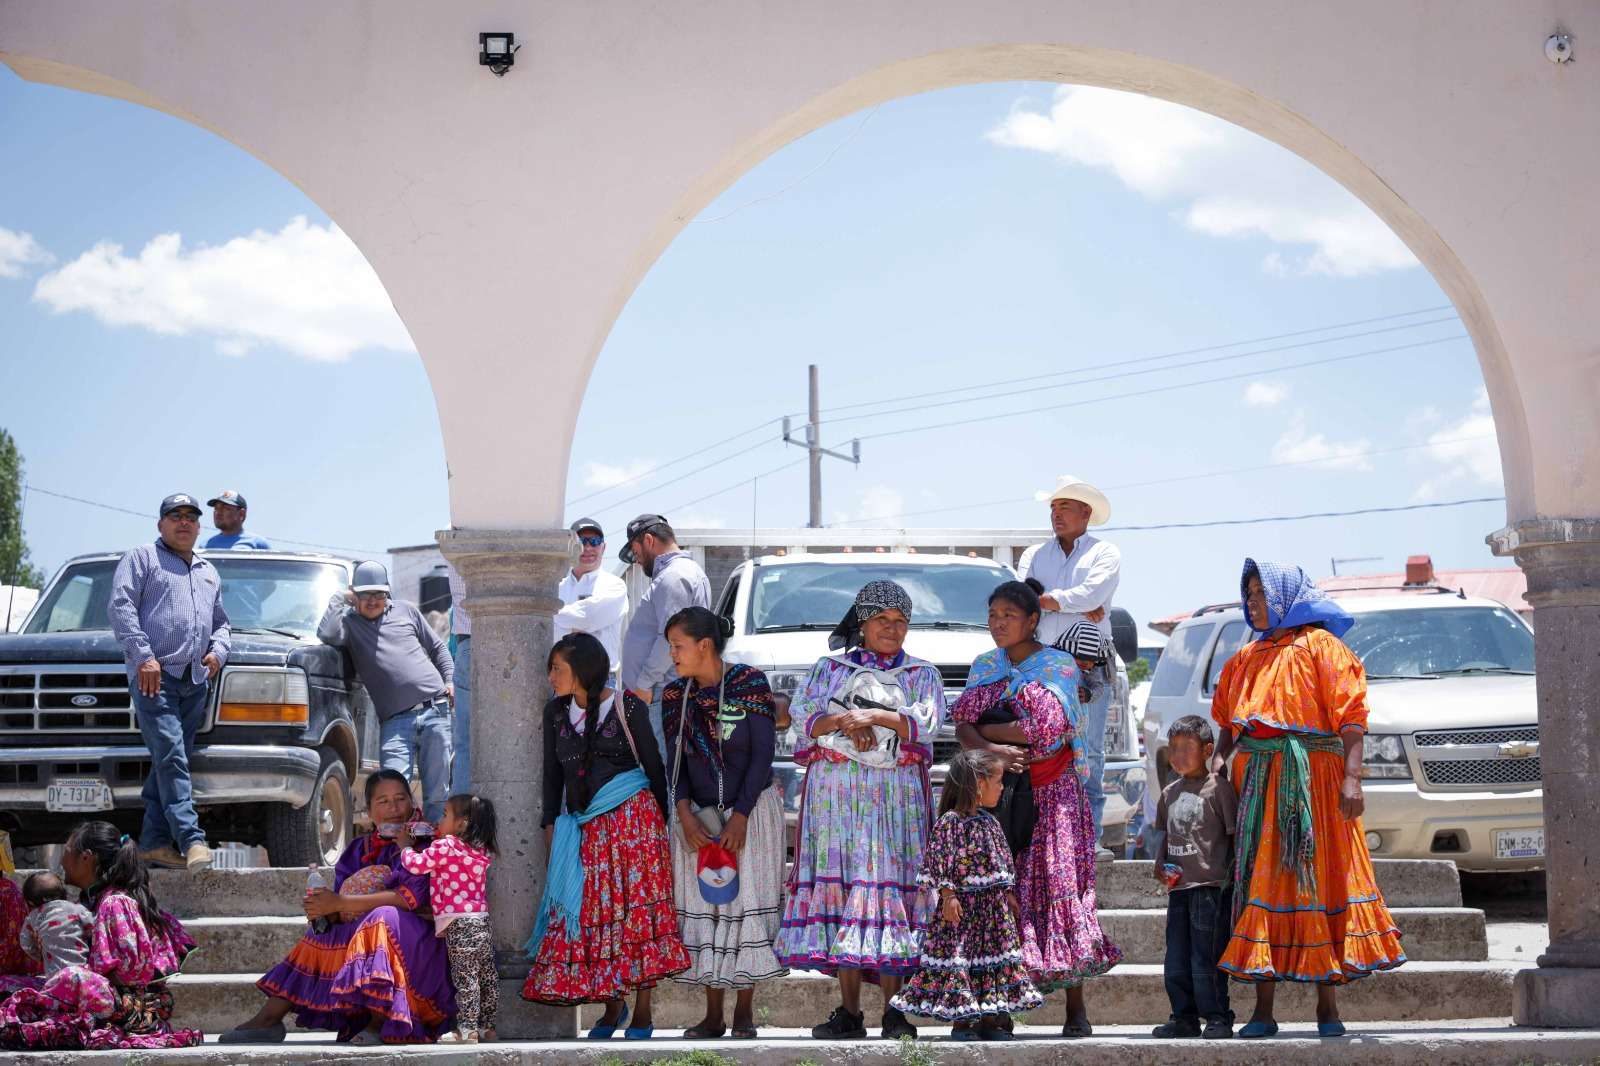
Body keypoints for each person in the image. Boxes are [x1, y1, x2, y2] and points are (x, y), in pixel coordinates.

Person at [1209, 559, 1405, 1038]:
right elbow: (1227, 726)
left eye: (1261, 594)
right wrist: (1218, 766)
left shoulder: (1324, 648)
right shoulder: (1245, 656)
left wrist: (1353, 779)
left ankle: (1327, 1007)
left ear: (1286, 596)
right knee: (1262, 885)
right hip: (1259, 784)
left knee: (1318, 881)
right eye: (1248, 594)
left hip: (1316, 782)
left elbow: (1351, 719)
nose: (1252, 602)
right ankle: (1262, 1010)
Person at [776, 580, 944, 1042]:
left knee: (885, 889)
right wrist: (844, 721)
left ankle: (895, 1012)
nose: (893, 630)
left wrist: (873, 717)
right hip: (837, 802)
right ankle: (848, 1012)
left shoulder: (921, 673)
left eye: (901, 622)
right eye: (882, 621)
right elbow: (806, 719)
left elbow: (926, 722)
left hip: (896, 802)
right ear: (862, 624)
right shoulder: (830, 668)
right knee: (847, 888)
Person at [952, 579, 1120, 1038]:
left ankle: (1075, 1009)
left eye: (1008, 615)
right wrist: (997, 747)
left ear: (1032, 621)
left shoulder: (1058, 665)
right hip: (998, 796)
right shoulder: (985, 665)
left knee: (1059, 891)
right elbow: (964, 725)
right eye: (992, 616)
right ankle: (996, 1009)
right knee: (997, 896)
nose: (998, 623)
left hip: (1054, 796)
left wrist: (992, 730)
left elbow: (1044, 732)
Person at [523, 632, 688, 1037]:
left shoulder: (626, 706)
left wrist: (661, 829)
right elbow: (552, 776)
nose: (551, 676)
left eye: (557, 668)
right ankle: (613, 1007)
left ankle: (644, 1010)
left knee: (637, 915)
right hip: (587, 830)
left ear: (582, 670)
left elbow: (654, 767)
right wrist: (549, 825)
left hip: (635, 825)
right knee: (598, 917)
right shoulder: (556, 713)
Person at [224, 769, 455, 1044]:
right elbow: (343, 902)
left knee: (382, 917)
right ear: (369, 811)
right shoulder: (359, 848)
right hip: (369, 932)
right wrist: (327, 909)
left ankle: (382, 1020)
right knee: (324, 932)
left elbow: (408, 899)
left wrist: (342, 902)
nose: (394, 808)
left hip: (419, 944)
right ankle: (269, 1020)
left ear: (412, 803)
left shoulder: (426, 844)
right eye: (383, 801)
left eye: (401, 799)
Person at [660, 606, 786, 1039]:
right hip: (697, 818)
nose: (673, 655)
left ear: (704, 645)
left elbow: (761, 754)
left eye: (678, 646)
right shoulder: (676, 696)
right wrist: (683, 816)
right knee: (708, 906)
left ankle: (745, 1013)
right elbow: (672, 761)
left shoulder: (750, 684)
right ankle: (712, 1014)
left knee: (744, 902)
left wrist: (743, 816)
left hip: (749, 815)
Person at [108, 492, 231, 872]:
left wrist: (218, 652)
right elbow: (121, 606)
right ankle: (192, 840)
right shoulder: (142, 557)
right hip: (154, 679)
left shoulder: (208, 571)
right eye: (174, 515)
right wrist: (143, 655)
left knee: (169, 761)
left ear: (198, 526)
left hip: (194, 680)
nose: (183, 522)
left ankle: (155, 843)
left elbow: (222, 622)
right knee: (173, 758)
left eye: (191, 517)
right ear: (160, 523)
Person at [0, 821, 201, 1051]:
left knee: (71, 977)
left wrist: (76, 972)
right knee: (7, 983)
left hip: (131, 1008)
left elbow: (129, 975)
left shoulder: (115, 902)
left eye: (66, 851)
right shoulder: (89, 902)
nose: (62, 862)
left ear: (86, 858)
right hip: (101, 997)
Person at [890, 748, 1042, 1040]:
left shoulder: (989, 822)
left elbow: (1001, 860)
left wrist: (1008, 893)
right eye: (997, 781)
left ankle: (989, 1020)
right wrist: (948, 896)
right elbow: (940, 860)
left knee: (990, 963)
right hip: (961, 913)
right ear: (979, 784)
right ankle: (962, 1022)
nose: (1001, 787)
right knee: (962, 961)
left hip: (992, 913)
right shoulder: (950, 822)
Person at [1017, 474, 1120, 845]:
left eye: (1064, 506)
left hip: (1086, 666)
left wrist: (1048, 600)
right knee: (1044, 746)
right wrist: (1078, 603)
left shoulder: (1105, 552)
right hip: (1044, 667)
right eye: (1053, 507)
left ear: (1085, 512)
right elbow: (1025, 598)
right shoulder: (1034, 554)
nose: (1056, 514)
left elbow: (1090, 592)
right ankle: (1048, 838)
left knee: (1088, 751)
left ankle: (1086, 841)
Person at [318, 560, 455, 822]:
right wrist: (338, 597)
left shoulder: (406, 611)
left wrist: (449, 681)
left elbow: (438, 649)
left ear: (387, 593)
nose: (372, 600)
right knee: (391, 791)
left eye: (378, 594)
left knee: (437, 792)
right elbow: (327, 634)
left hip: (435, 709)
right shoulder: (349, 624)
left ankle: (436, 855)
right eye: (364, 594)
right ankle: (398, 856)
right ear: (353, 594)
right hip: (395, 721)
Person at [1151, 715, 1238, 1040]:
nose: (1178, 755)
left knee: (1206, 959)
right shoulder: (1170, 792)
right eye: (1173, 748)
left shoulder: (1219, 789)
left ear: (1207, 749)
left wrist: (1232, 883)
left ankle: (1217, 1016)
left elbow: (1233, 837)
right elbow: (1165, 837)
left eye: (1186, 748)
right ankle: (1183, 1017)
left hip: (1210, 890)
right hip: (1179, 890)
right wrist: (1160, 864)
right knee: (1176, 959)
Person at [398, 794, 498, 1044]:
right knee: (486, 976)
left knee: (465, 978)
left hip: (458, 922)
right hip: (480, 920)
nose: (439, 820)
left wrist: (404, 847)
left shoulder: (445, 846)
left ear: (462, 824)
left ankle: (466, 1030)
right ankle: (487, 1026)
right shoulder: (480, 849)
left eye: (445, 815)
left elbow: (417, 865)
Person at [618, 514, 711, 760]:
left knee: (663, 772)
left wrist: (644, 684)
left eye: (635, 551)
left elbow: (671, 639)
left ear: (648, 540)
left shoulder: (673, 577)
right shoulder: (682, 573)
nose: (636, 560)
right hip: (660, 692)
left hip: (657, 693)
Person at [556, 517, 629, 674]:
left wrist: (550, 612)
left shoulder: (614, 586)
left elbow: (588, 617)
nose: (588, 547)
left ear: (604, 547)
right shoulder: (556, 587)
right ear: (570, 548)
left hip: (599, 680)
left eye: (595, 541)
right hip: (560, 678)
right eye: (582, 541)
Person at [19, 873, 93, 977]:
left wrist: (41, 956)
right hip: (83, 972)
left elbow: (25, 943)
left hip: (54, 977)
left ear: (30, 903)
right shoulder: (78, 909)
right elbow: (93, 929)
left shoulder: (33, 917)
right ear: (64, 894)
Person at [445, 564, 473, 794]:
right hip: (516, 636)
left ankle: (461, 822)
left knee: (465, 744)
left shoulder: (454, 528)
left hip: (468, 644)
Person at [203, 490, 271, 550]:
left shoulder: (258, 544)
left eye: (226, 508)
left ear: (241, 514)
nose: (218, 512)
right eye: (216, 508)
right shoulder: (205, 546)